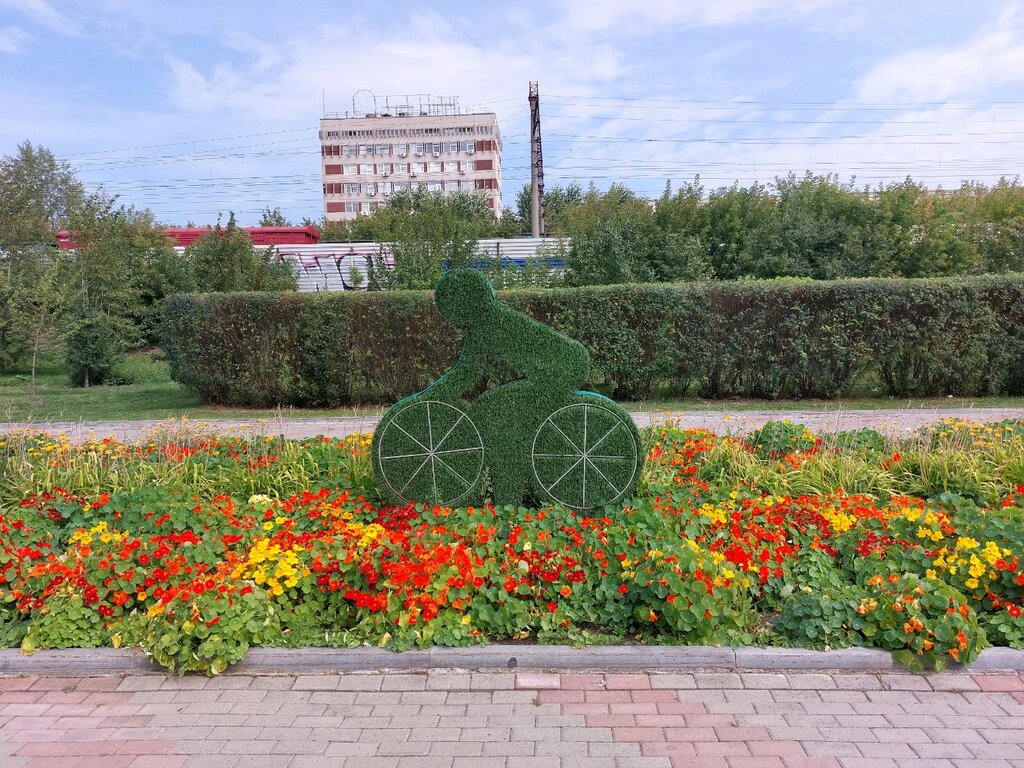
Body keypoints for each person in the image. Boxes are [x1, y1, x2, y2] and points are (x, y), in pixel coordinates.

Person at [425, 268, 589, 504]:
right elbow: (467, 371)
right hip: (559, 367)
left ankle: (509, 494)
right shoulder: (486, 321)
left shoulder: (489, 322)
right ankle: (511, 486)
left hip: (562, 369)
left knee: (496, 415)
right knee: (492, 407)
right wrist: (434, 394)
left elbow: (467, 372)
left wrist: (431, 396)